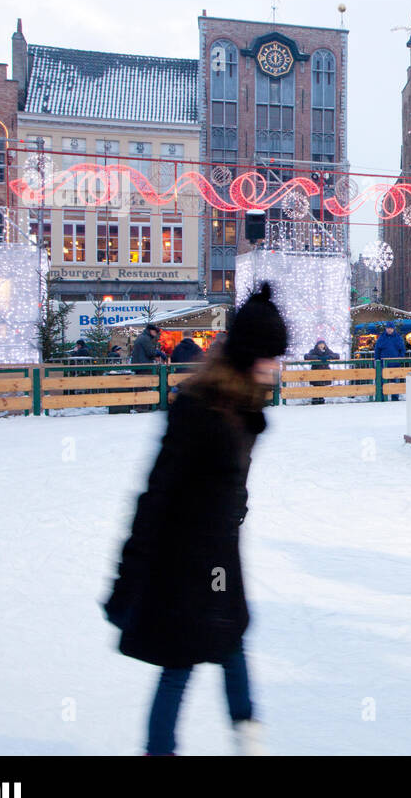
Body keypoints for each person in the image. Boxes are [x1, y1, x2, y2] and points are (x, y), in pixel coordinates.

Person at [103, 283, 289, 756]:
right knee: (181, 665)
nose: (279, 366)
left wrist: (233, 511)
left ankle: (248, 737)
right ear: (252, 355)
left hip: (218, 563)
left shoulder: (246, 408)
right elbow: (157, 493)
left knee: (230, 644)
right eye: (273, 356)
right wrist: (128, 577)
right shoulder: (200, 409)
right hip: (182, 563)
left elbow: (230, 489)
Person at [373, 323, 407, 401]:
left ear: (393, 329)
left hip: (395, 364)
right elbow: (377, 350)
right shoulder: (381, 338)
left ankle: (395, 398)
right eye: (388, 328)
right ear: (386, 329)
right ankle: (381, 397)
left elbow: (402, 350)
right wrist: (377, 361)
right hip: (382, 364)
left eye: (391, 328)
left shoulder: (398, 338)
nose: (389, 329)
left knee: (395, 382)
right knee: (381, 382)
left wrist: (399, 359)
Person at [304, 337, 339, 405]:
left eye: (322, 344)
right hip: (316, 371)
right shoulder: (313, 351)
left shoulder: (327, 351)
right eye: (320, 344)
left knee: (322, 386)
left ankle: (321, 399)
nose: (321, 345)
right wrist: (318, 358)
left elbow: (337, 355)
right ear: (317, 345)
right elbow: (306, 356)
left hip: (325, 372)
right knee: (316, 386)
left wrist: (329, 357)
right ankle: (315, 400)